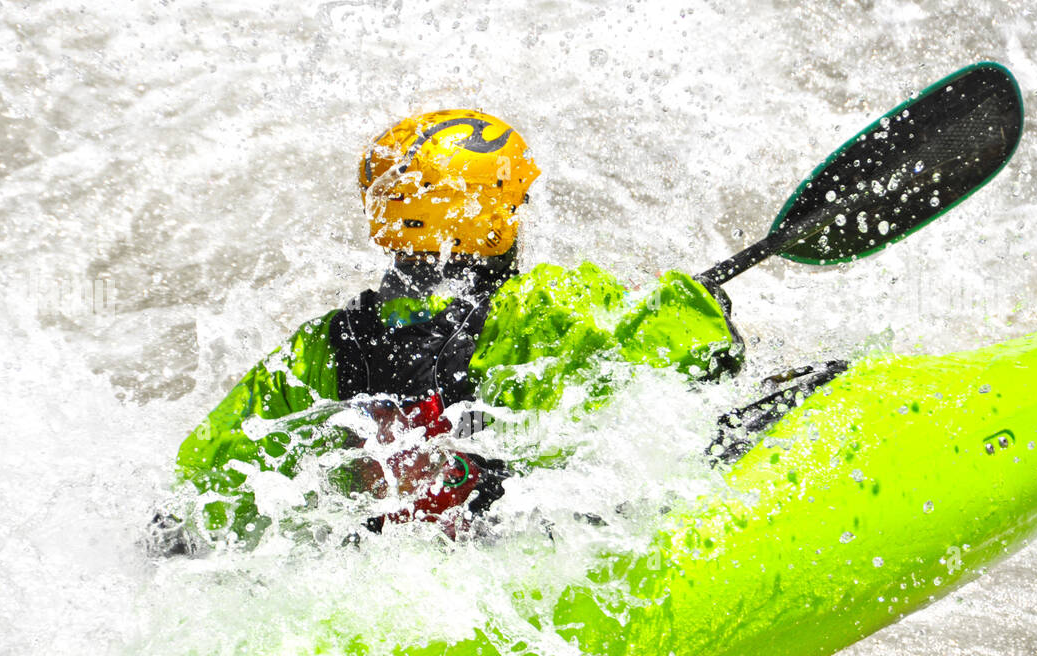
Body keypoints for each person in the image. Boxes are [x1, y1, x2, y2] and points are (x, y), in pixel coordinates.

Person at [151, 109, 746, 554]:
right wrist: (704, 306)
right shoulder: (544, 308)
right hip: (524, 559)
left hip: (394, 572)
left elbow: (211, 473)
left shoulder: (325, 346)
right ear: (494, 217)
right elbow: (689, 359)